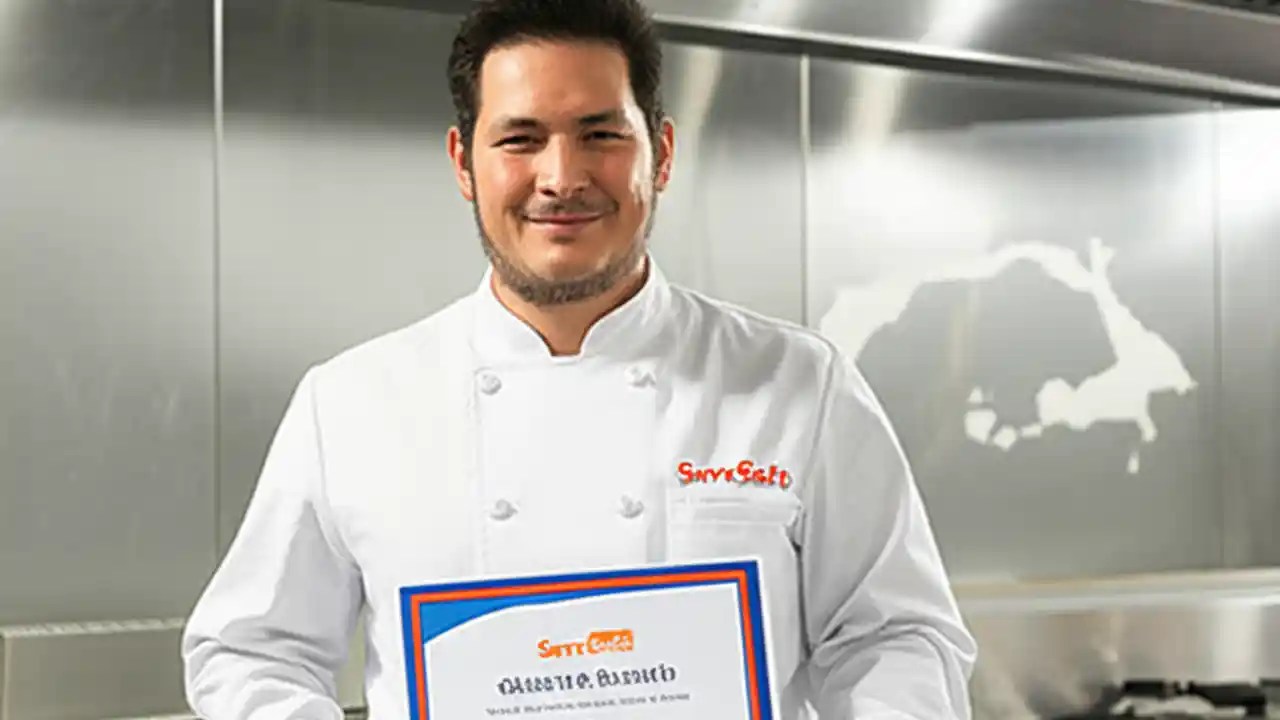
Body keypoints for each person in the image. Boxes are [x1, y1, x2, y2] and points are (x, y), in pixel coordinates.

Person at [181, 0, 977, 717]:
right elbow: (251, 652)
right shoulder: (351, 404)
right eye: (520, 139)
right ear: (464, 162)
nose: (561, 178)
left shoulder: (800, 385)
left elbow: (898, 638)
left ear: (659, 154)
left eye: (600, 135)